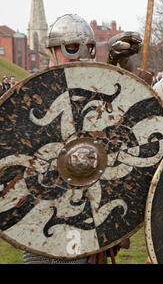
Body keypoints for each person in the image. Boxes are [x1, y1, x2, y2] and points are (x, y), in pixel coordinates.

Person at [22, 13, 140, 264]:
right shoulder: (34, 96)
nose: (76, 55)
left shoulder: (100, 93)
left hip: (87, 215)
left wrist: (122, 62)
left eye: (84, 48)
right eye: (70, 47)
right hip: (41, 212)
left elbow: (133, 103)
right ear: (53, 51)